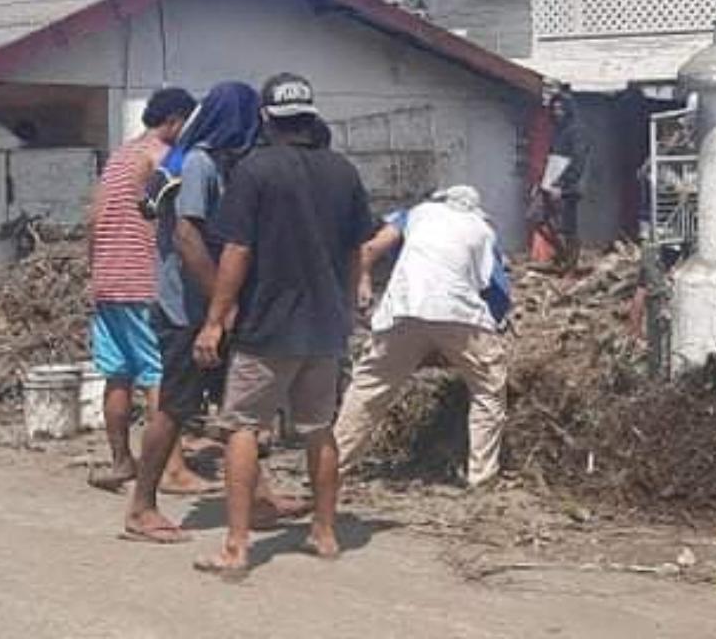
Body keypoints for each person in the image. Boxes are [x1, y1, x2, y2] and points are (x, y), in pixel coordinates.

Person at [192, 73, 375, 578]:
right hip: (324, 327)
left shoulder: (255, 171)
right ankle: (325, 531)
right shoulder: (343, 172)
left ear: (267, 120)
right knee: (319, 429)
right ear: (310, 117)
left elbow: (237, 250)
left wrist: (214, 320)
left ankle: (236, 545)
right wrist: (356, 294)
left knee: (243, 427)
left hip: (268, 325)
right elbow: (359, 244)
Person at [123, 81, 266, 544]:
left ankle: (257, 497)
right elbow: (187, 238)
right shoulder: (201, 163)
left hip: (207, 308)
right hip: (186, 309)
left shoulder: (215, 163)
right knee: (175, 408)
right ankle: (141, 507)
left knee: (238, 407)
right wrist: (220, 308)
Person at [333, 185, 510, 489]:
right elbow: (498, 292)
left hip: (402, 307)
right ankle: (482, 476)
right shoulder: (483, 230)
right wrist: (483, 336)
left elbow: (369, 250)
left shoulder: (415, 214)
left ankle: (332, 466)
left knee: (368, 389)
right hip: (459, 311)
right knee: (488, 389)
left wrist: (360, 286)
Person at [85, 87, 205, 493]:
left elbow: (94, 218)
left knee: (117, 374)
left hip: (107, 281)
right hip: (145, 281)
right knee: (160, 376)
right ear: (174, 120)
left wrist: (95, 271)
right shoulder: (165, 161)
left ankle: (122, 461)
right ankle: (172, 468)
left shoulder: (118, 157)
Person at [537, 90, 588, 274]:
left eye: (561, 108)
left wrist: (563, 184)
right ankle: (562, 256)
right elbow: (551, 159)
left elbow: (578, 160)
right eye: (555, 108)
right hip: (551, 182)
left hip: (568, 187)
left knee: (568, 225)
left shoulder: (576, 131)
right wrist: (543, 182)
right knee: (541, 219)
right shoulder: (558, 131)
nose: (557, 112)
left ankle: (570, 263)